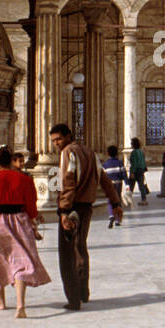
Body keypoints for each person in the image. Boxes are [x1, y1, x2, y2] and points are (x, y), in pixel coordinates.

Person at [51, 122, 122, 311]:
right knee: (80, 247)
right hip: (86, 208)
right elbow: (104, 179)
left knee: (68, 254)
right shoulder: (90, 152)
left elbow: (68, 181)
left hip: (73, 208)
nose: (56, 143)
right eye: (53, 141)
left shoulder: (68, 152)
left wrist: (64, 210)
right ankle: (83, 292)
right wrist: (115, 202)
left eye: (58, 139)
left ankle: (74, 299)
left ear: (67, 136)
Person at [0, 145, 50, 319]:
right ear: (11, 161)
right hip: (19, 221)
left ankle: (1, 302)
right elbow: (31, 207)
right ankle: (20, 306)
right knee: (21, 262)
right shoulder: (24, 179)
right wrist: (33, 218)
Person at [101, 145, 127, 228]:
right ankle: (118, 220)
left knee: (110, 200)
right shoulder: (119, 163)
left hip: (109, 184)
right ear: (117, 153)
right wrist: (128, 184)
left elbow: (103, 177)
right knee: (117, 200)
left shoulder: (105, 165)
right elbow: (124, 175)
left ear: (108, 154)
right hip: (118, 183)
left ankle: (111, 215)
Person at [128, 137, 149, 205]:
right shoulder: (141, 151)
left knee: (131, 185)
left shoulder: (134, 152)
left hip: (136, 170)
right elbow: (143, 161)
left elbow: (134, 163)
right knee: (141, 185)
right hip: (141, 170)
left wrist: (132, 172)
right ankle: (144, 199)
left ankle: (128, 199)